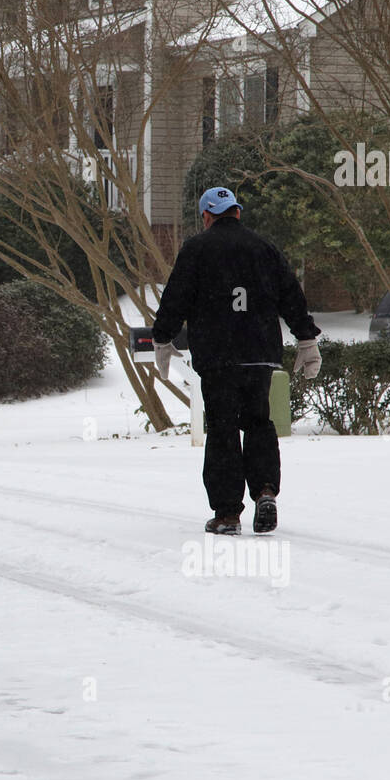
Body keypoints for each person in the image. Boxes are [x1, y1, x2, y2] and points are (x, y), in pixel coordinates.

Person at [151, 187, 322, 535]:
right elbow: (290, 293)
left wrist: (162, 337)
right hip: (259, 355)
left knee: (223, 430)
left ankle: (227, 514)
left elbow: (176, 297)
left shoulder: (197, 249)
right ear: (237, 213)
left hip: (218, 357)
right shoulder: (264, 249)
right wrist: (306, 338)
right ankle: (265, 490)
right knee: (259, 422)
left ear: (206, 216)